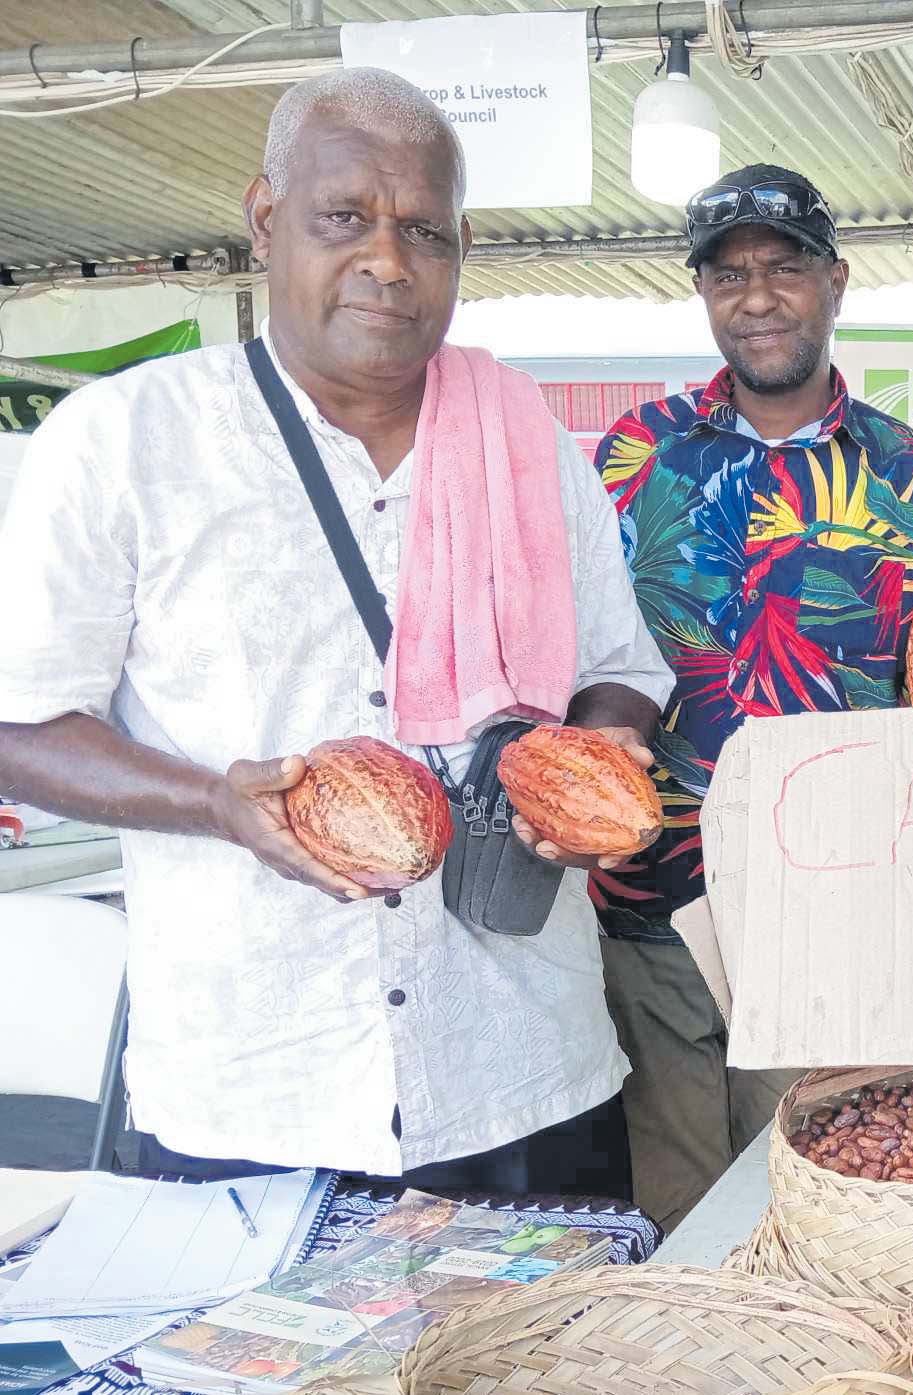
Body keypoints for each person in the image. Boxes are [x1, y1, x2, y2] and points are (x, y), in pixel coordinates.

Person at [0, 69, 673, 1193]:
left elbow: (617, 672)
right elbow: (21, 724)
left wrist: (597, 766)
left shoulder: (530, 443)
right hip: (256, 1088)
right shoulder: (126, 439)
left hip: (520, 1060)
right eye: (343, 219)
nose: (389, 262)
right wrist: (213, 802)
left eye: (425, 231)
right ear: (266, 219)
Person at [591, 163, 913, 1231]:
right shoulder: (629, 460)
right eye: (729, 273)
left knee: (825, 1209)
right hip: (650, 907)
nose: (757, 296)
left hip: (834, 917)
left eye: (784, 268)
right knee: (680, 1216)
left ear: (835, 282)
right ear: (703, 295)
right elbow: (572, 659)